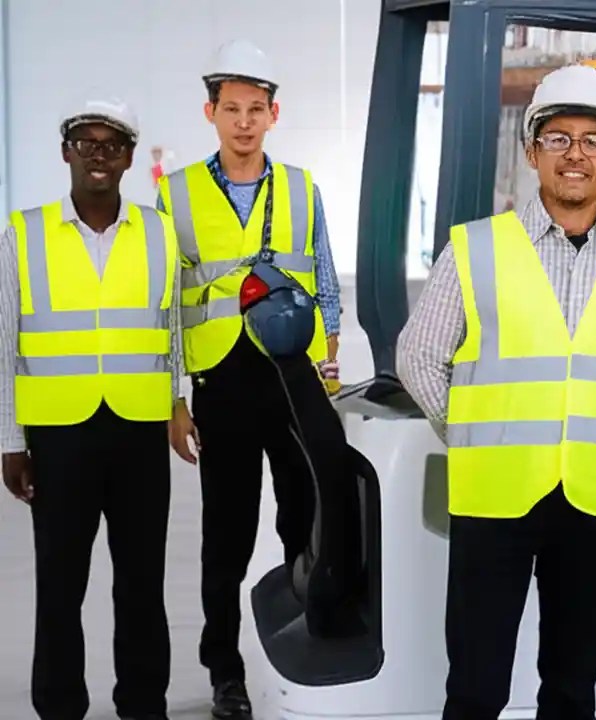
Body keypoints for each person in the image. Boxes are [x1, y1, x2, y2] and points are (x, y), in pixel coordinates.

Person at [395, 63, 596, 720]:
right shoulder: (475, 248)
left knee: (571, 686)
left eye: (592, 141)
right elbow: (419, 357)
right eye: (558, 139)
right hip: (495, 495)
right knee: (475, 686)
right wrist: (473, 438)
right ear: (532, 153)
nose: (575, 156)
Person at [155, 39, 351, 720]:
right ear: (211, 113)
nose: (244, 121)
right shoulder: (174, 193)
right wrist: (174, 399)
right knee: (227, 535)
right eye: (231, 109)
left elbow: (324, 277)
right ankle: (225, 671)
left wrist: (332, 358)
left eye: (256, 109)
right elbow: (165, 302)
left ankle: (303, 639)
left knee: (305, 515)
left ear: (274, 115)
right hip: (220, 380)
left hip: (292, 375)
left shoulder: (300, 186)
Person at [0, 97, 180, 720]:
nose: (98, 155)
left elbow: (172, 328)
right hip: (58, 434)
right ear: (66, 152)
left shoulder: (159, 231)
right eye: (86, 143)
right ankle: (58, 706)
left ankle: (142, 705)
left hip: (136, 428)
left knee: (141, 585)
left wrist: (178, 402)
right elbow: (5, 344)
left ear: (129, 157)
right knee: (59, 587)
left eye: (111, 145)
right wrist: (10, 439)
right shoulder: (23, 232)